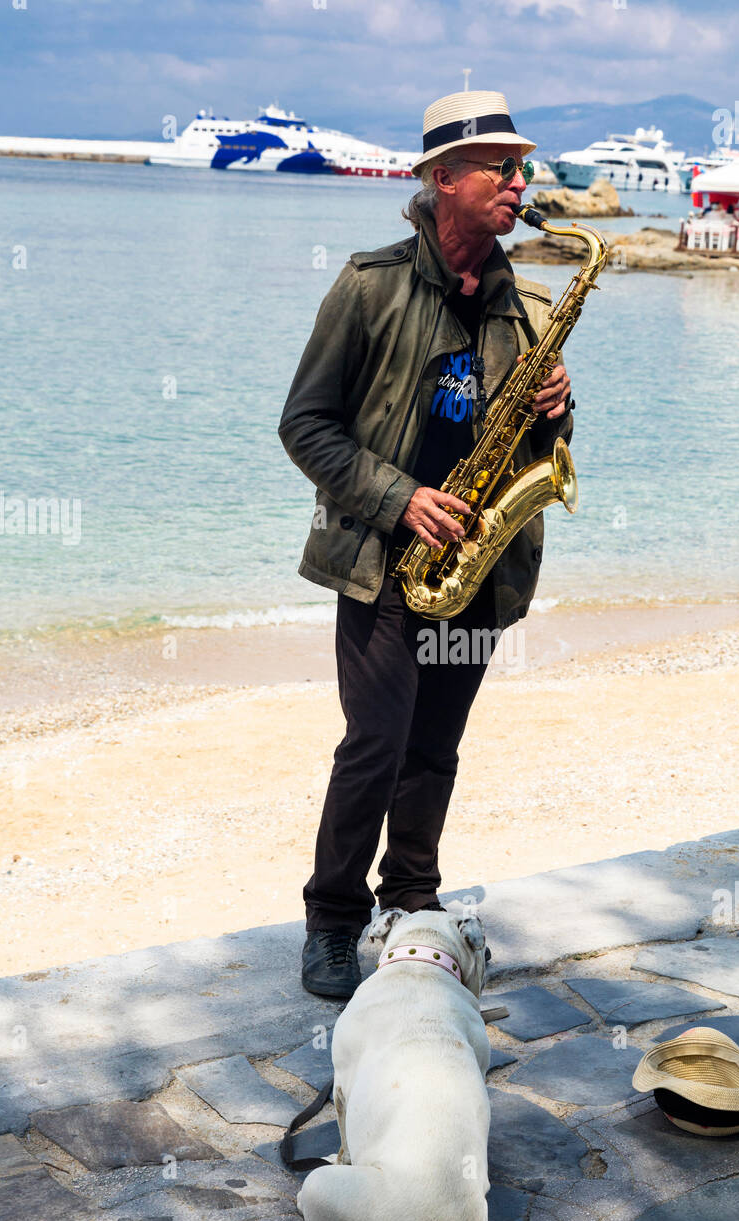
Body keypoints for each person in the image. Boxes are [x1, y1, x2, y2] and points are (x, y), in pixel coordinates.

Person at [278, 90, 574, 998]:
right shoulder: (370, 286)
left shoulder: (527, 305)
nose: (518, 184)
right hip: (381, 559)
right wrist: (403, 500)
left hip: (479, 566)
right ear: (443, 179)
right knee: (375, 741)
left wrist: (558, 417)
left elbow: (546, 457)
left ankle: (411, 895)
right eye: (500, 168)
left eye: (521, 169)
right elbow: (305, 426)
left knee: (436, 747)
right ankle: (332, 919)